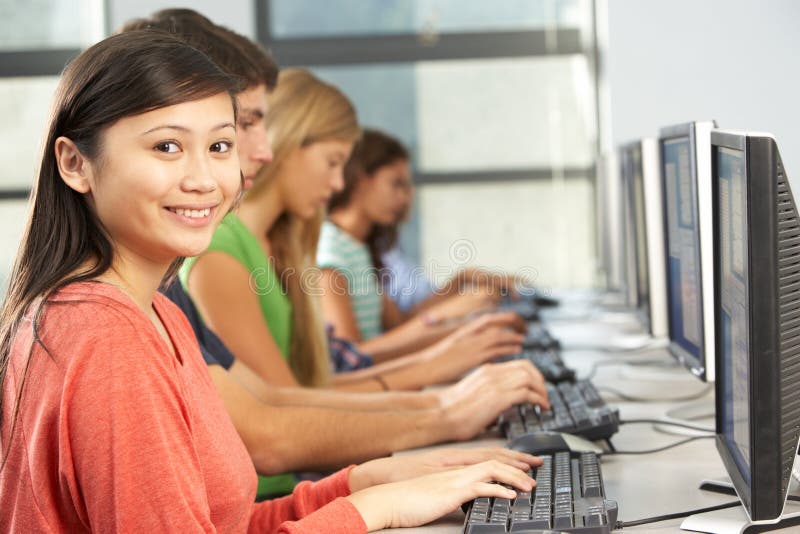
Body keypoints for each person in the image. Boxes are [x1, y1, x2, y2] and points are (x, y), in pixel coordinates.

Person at [0, 30, 541, 532]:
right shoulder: (106, 338)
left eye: (218, 146)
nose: (203, 179)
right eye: (167, 146)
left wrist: (369, 482)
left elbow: (226, 523)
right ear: (74, 164)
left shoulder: (156, 312)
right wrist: (376, 509)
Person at [122, 9, 549, 501]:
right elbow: (271, 434)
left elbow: (276, 399)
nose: (257, 149)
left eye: (226, 137)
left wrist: (436, 416)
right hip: (281, 489)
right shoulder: (205, 259)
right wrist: (442, 403)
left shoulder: (168, 293)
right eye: (243, 127)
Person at [182, 67, 536, 390]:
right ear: (289, 142)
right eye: (333, 162)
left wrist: (451, 347)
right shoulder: (224, 251)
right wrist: (440, 366)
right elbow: (288, 406)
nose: (338, 183)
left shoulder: (285, 245)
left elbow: (314, 384)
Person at [329, 128, 525, 320]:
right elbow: (352, 352)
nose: (404, 198)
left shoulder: (359, 247)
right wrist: (444, 315)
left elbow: (399, 326)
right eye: (396, 184)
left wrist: (461, 282)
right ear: (361, 179)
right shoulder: (331, 249)